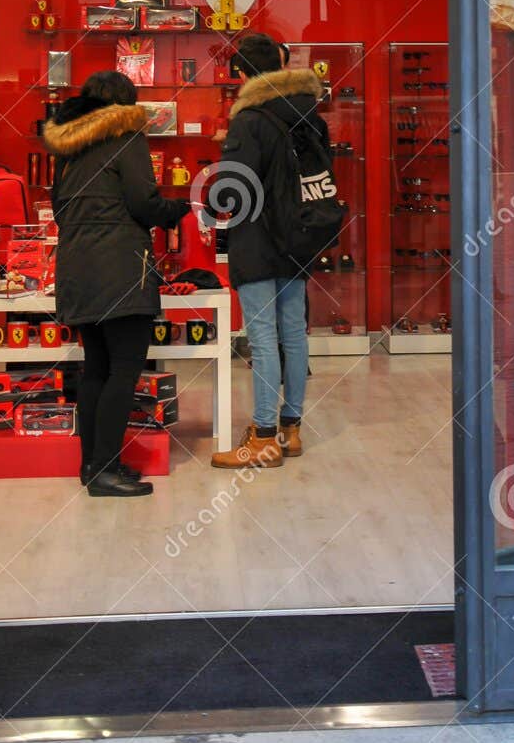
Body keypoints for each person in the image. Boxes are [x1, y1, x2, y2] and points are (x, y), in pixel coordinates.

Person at [44, 70, 190, 498]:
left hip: (76, 269)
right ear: (127, 107)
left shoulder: (68, 149)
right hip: (121, 271)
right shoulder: (128, 139)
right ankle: (106, 469)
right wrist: (176, 210)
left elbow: (59, 211)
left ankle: (92, 465)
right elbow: (143, 203)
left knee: (96, 370)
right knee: (124, 370)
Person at [210, 32, 330, 471]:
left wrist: (211, 203)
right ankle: (290, 429)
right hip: (300, 237)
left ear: (243, 73)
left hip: (259, 240)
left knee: (262, 337)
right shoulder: (310, 115)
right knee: (293, 332)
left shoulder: (249, 119)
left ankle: (262, 438)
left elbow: (232, 188)